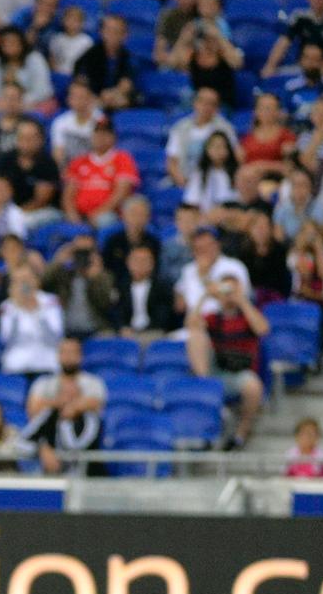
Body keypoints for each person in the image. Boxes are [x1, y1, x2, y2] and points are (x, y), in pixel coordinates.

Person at [184, 232, 270, 450]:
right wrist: (206, 295)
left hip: (239, 371)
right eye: (226, 290)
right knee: (196, 336)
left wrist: (242, 300)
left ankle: (241, 433)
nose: (228, 294)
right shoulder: (214, 318)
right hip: (217, 371)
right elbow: (192, 324)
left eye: (233, 289)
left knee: (252, 385)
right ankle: (207, 388)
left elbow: (263, 329)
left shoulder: (248, 314)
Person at [61, 118, 139, 229]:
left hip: (108, 214)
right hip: (79, 214)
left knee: (105, 221)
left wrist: (98, 212)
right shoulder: (79, 162)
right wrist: (72, 213)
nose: (101, 137)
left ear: (113, 137)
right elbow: (69, 193)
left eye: (105, 133)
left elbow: (121, 193)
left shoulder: (122, 159)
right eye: (97, 133)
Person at [0, 117, 61, 229]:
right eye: (22, 137)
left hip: (41, 211)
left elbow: (42, 199)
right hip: (9, 209)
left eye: (31, 138)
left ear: (41, 139)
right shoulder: (6, 159)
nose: (26, 142)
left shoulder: (47, 163)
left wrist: (16, 214)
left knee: (21, 223)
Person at [165, 88, 238, 190]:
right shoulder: (180, 128)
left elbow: (234, 157)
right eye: (203, 101)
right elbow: (172, 162)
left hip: (215, 182)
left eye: (212, 103)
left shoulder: (226, 129)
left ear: (217, 108)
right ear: (195, 103)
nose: (207, 107)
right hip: (184, 180)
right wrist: (183, 182)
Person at [0, 263, 63, 378]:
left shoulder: (50, 301)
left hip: (47, 364)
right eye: (18, 281)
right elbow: (7, 341)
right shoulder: (7, 306)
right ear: (12, 285)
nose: (24, 284)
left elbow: (55, 339)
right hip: (16, 366)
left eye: (27, 279)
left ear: (36, 281)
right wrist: (17, 309)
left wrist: (38, 310)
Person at [113, 245, 178, 339]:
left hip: (153, 331)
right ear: (128, 263)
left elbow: (164, 315)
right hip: (127, 332)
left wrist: (143, 330)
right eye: (136, 260)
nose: (140, 264)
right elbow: (117, 311)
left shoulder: (162, 287)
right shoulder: (121, 286)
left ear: (152, 264)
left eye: (144, 260)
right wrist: (123, 327)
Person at [73, 13, 134, 110]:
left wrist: (113, 93)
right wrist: (98, 96)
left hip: (115, 99)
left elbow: (126, 84)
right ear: (101, 32)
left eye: (117, 31)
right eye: (108, 31)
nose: (112, 35)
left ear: (125, 35)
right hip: (92, 99)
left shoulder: (128, 57)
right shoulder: (89, 55)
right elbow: (81, 80)